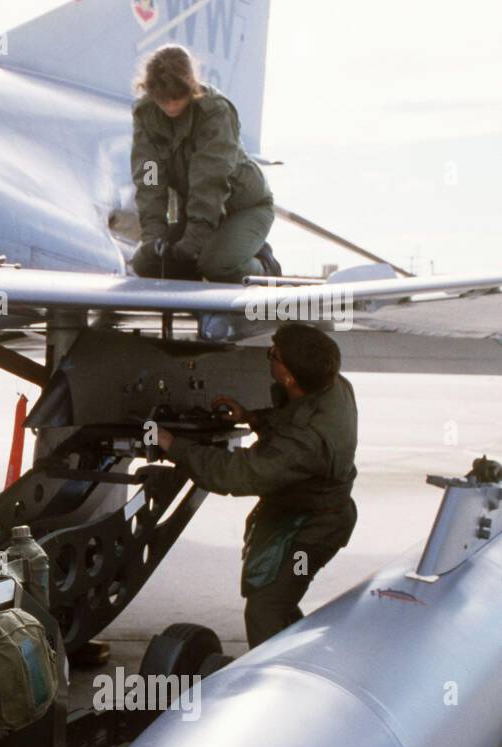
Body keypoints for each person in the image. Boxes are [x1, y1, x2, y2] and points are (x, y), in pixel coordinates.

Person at [155, 324, 358, 647]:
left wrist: (172, 444)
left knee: (266, 608)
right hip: (312, 514)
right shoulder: (332, 385)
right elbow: (297, 417)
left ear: (289, 377)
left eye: (273, 356)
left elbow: (238, 473)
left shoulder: (306, 444)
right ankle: (303, 660)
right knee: (280, 602)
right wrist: (253, 418)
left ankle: (275, 687)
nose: (268, 360)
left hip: (313, 530)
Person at [129, 44, 280, 283]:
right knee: (146, 264)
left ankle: (264, 265)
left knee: (217, 266)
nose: (170, 105)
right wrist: (152, 240)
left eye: (177, 98)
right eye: (162, 100)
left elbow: (209, 181)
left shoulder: (214, 113)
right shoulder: (147, 115)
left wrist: (192, 242)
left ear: (191, 88)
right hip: (196, 211)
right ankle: (214, 252)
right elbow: (150, 177)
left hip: (244, 208)